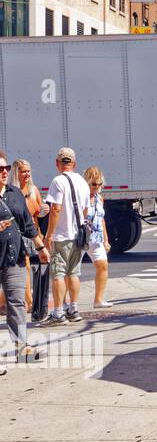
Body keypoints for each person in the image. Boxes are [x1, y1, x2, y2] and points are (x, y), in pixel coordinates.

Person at [0, 151, 47, 367]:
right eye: (0, 169)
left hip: (14, 256)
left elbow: (27, 223)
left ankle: (22, 348)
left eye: (6, 168)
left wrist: (40, 246)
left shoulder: (15, 193)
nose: (4, 172)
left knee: (17, 302)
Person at [43, 147, 90, 326]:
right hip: (78, 235)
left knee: (58, 274)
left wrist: (49, 235)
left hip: (61, 236)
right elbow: (85, 210)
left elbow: (55, 209)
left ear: (57, 163)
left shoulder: (58, 181)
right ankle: (73, 309)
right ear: (74, 163)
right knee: (74, 273)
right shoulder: (82, 182)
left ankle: (58, 313)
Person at [13, 160, 44, 317]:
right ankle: (29, 302)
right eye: (23, 171)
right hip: (18, 233)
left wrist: (44, 209)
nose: (27, 174)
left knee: (33, 266)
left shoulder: (33, 189)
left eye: (28, 171)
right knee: (24, 266)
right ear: (16, 173)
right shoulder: (12, 191)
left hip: (33, 232)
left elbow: (40, 212)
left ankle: (22, 300)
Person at [83, 166, 112, 309]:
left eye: (100, 184)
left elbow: (101, 220)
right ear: (87, 182)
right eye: (94, 184)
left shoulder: (99, 198)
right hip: (81, 237)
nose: (97, 187)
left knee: (103, 265)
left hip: (97, 237)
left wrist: (106, 240)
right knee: (71, 271)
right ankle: (66, 303)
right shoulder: (81, 198)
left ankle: (98, 300)